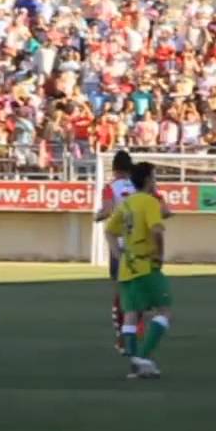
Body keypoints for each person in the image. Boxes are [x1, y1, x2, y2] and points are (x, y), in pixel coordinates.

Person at [103, 162, 171, 379]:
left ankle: (135, 363)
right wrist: (159, 255)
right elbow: (157, 231)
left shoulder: (127, 203)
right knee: (164, 310)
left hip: (127, 267)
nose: (156, 180)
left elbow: (109, 231)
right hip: (146, 265)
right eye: (154, 176)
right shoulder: (149, 202)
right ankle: (143, 358)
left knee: (131, 315)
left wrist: (118, 254)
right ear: (149, 180)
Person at [94, 151, 136, 353]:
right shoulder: (139, 185)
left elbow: (108, 211)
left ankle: (121, 337)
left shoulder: (110, 188)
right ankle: (136, 335)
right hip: (140, 243)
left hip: (119, 244)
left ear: (114, 168)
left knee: (120, 292)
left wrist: (97, 216)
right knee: (140, 292)